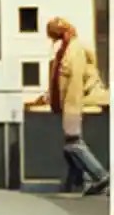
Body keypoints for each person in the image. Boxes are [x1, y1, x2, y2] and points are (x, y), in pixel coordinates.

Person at [44, 17, 109, 196]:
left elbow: (74, 85)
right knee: (69, 146)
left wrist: (71, 113)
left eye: (53, 35)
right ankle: (82, 182)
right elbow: (61, 82)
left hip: (77, 104)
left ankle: (101, 176)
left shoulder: (74, 51)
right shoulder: (64, 50)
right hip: (72, 104)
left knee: (73, 143)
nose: (52, 40)